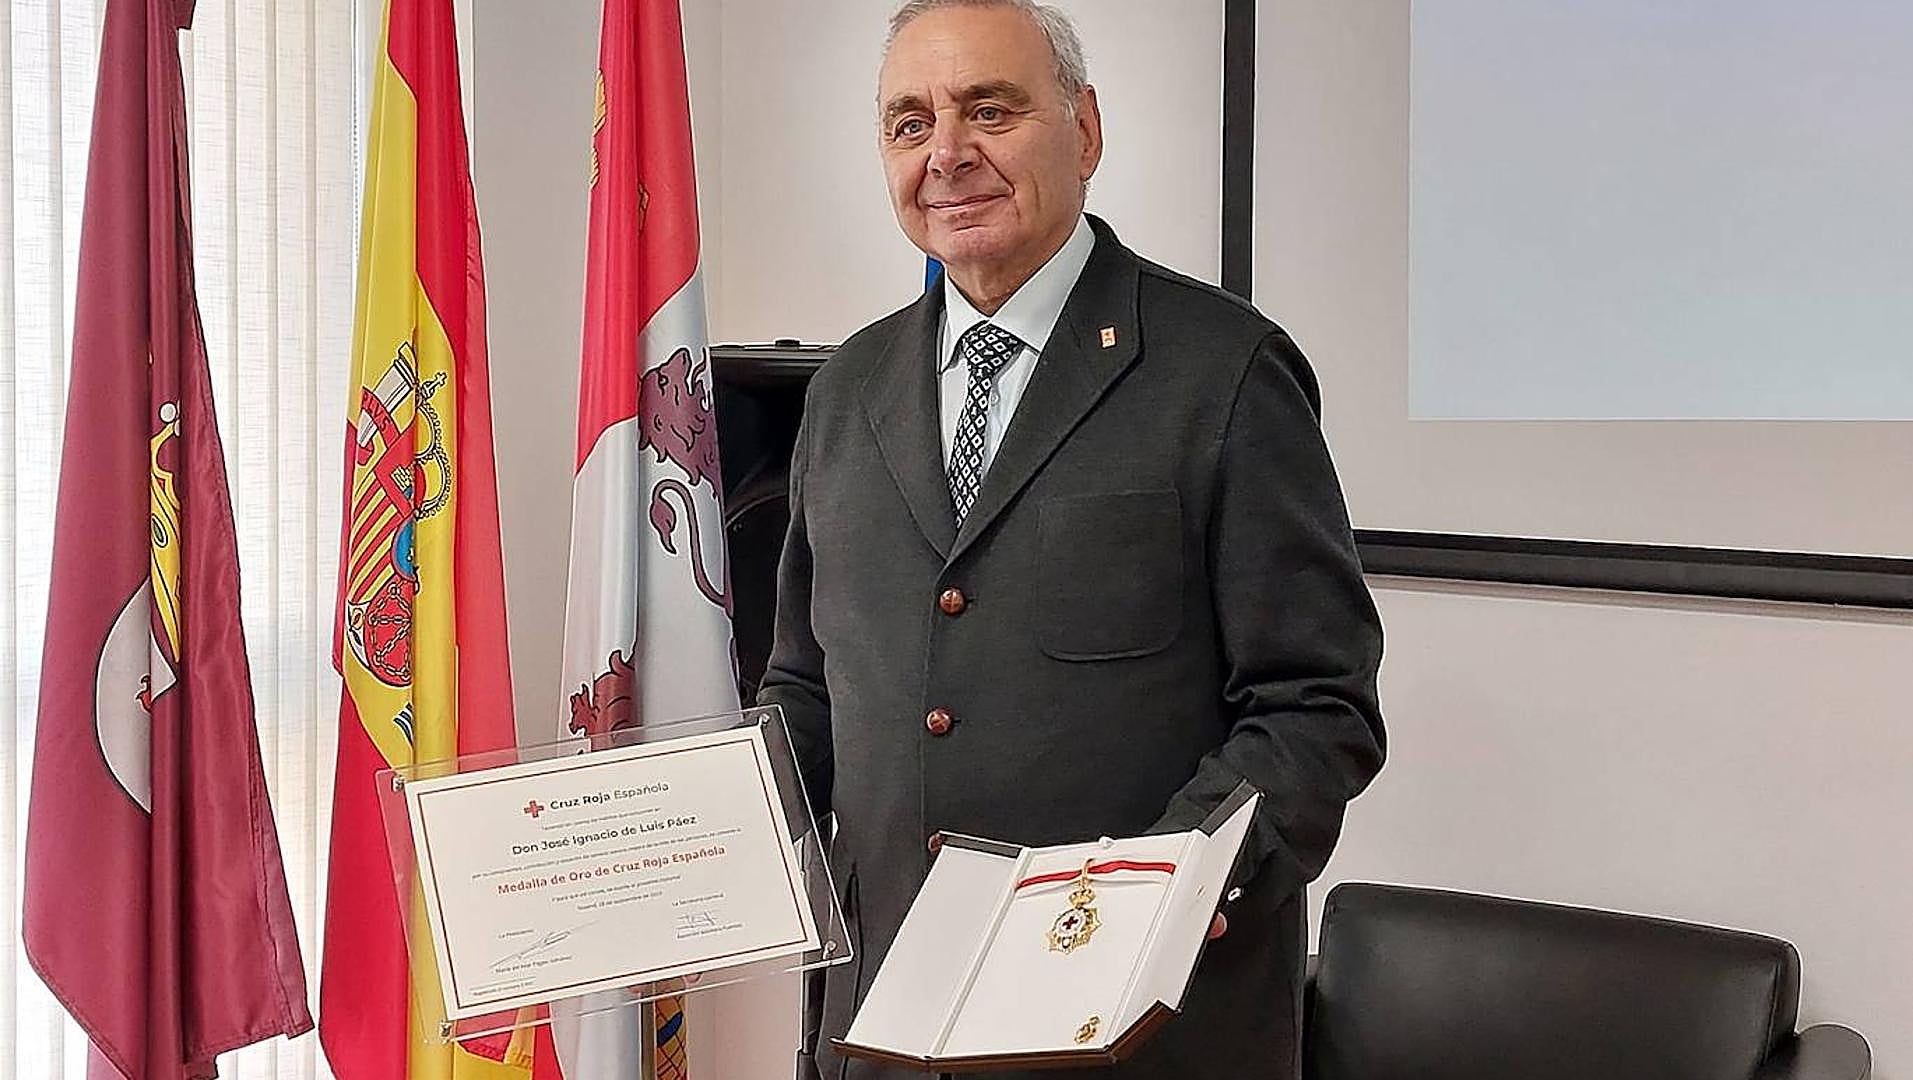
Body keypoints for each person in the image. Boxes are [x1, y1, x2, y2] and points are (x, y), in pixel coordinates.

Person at [757, 2, 1385, 1076]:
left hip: (1137, 1033)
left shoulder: (1224, 372)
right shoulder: (845, 389)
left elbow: (1313, 707)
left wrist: (1163, 892)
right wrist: (674, 861)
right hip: (884, 1026)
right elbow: (806, 687)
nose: (946, 154)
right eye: (909, 124)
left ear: (1084, 131)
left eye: (988, 110)